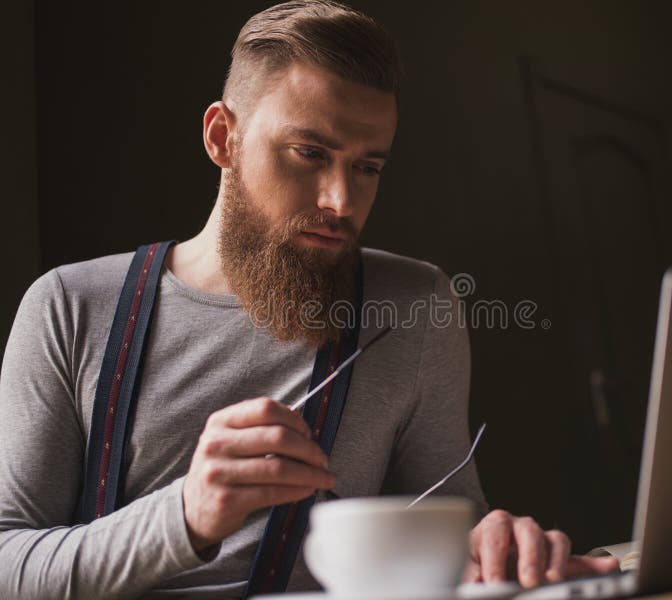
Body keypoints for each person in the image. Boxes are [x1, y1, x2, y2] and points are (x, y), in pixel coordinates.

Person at [0, 1, 618, 597]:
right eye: (310, 153)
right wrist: (184, 514)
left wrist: (494, 547)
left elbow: (452, 523)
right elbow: (7, 563)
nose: (342, 201)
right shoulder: (68, 307)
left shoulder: (416, 306)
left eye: (368, 167)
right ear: (223, 138)